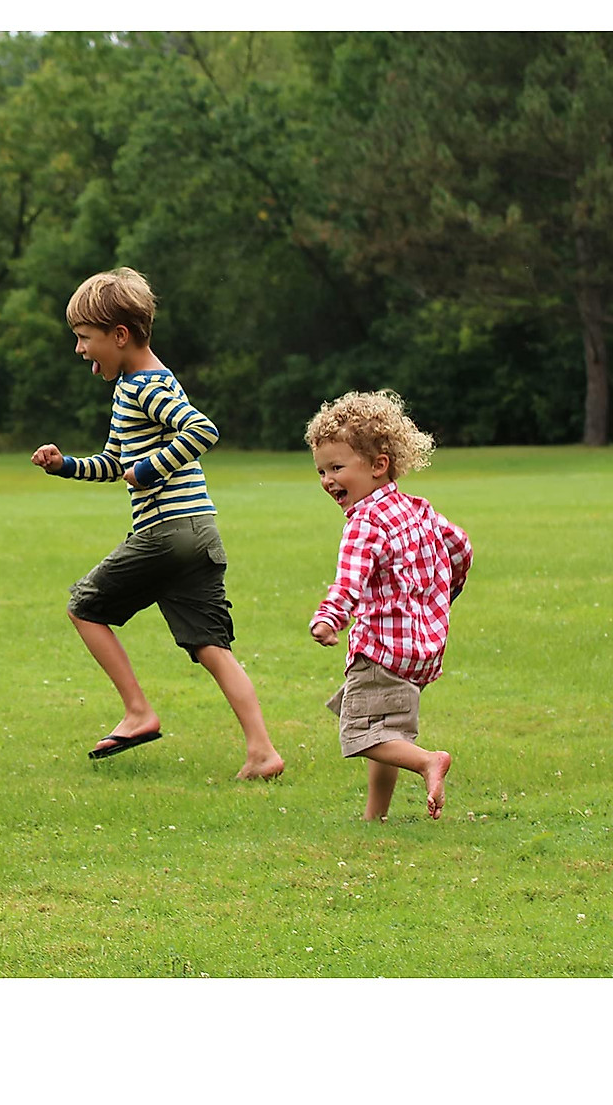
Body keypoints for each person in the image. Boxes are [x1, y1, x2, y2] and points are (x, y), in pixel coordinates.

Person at [30, 267, 284, 778]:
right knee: (211, 645)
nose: (79, 350)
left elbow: (201, 429)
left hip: (167, 532)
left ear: (119, 335)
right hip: (198, 531)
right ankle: (263, 752)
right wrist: (65, 466)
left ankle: (139, 712)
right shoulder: (129, 388)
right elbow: (114, 465)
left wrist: (150, 469)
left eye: (84, 338)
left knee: (85, 607)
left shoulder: (146, 385)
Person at [305, 389, 472, 821]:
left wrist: (329, 618)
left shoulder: (364, 523)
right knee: (386, 727)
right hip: (422, 649)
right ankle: (374, 817)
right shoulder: (417, 509)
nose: (327, 480)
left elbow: (349, 581)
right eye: (322, 470)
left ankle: (426, 761)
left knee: (361, 731)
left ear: (379, 466)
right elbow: (460, 546)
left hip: (380, 648)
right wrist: (445, 591)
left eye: (337, 468)